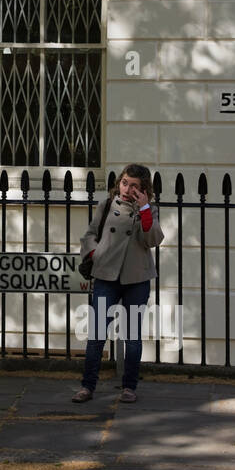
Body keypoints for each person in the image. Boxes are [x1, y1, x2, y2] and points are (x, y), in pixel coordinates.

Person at [74, 164, 164, 404]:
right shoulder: (106, 206)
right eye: (125, 182)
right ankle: (87, 386)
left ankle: (129, 387)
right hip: (106, 276)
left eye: (134, 185)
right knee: (96, 335)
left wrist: (144, 208)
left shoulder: (149, 210)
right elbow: (89, 235)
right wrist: (95, 254)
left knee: (132, 336)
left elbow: (153, 239)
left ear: (143, 189)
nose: (127, 189)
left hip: (137, 278)